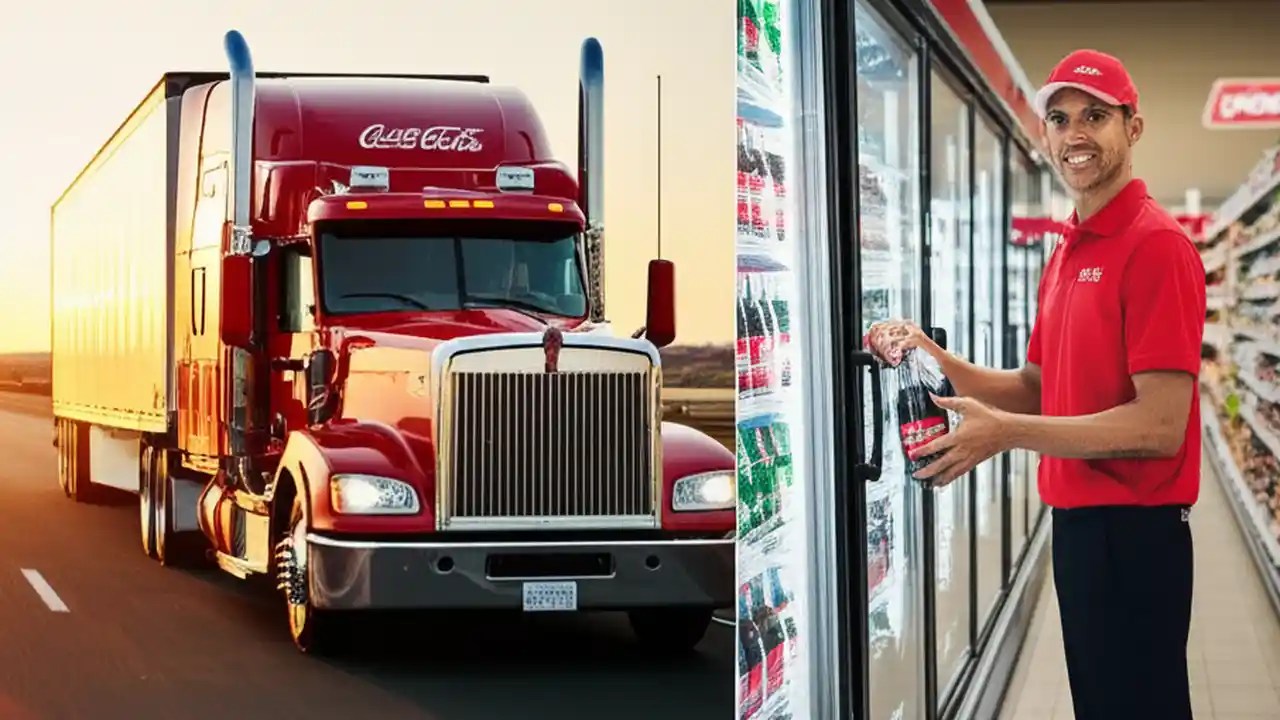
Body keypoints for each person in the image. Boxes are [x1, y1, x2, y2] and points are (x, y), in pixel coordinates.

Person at [866, 49, 1205, 719]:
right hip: (1081, 531)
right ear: (1044, 134)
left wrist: (1009, 437)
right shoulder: (1069, 249)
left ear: (1132, 129)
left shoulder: (1156, 246)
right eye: (1060, 118)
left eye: (1095, 116)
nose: (1075, 134)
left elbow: (1159, 428)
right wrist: (933, 354)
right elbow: (1032, 386)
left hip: (1137, 537)